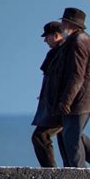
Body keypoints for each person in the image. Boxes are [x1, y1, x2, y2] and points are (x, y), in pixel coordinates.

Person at [51, 7, 90, 168]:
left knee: (71, 138)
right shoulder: (79, 40)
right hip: (82, 97)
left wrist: (66, 101)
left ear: (69, 24)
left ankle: (78, 176)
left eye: (63, 22)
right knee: (70, 134)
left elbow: (77, 75)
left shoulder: (79, 42)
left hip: (81, 98)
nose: (62, 25)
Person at [31, 21, 67, 167]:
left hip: (59, 106)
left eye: (47, 37)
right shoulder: (56, 53)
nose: (45, 40)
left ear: (56, 35)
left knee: (40, 136)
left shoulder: (63, 52)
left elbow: (64, 79)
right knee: (68, 136)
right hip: (55, 104)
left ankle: (50, 173)